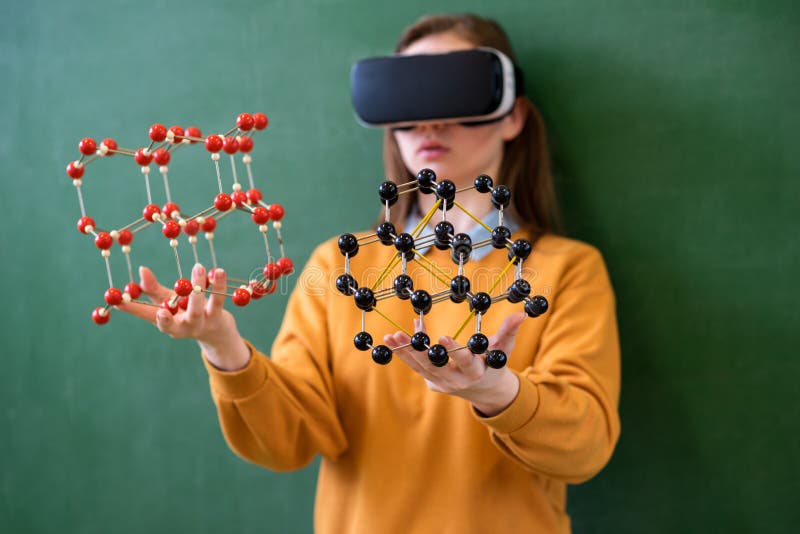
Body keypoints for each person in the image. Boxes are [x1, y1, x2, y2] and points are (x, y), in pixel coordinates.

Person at [120, 13, 620, 534]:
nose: (429, 122)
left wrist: (498, 393)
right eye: (407, 99)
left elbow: (583, 447)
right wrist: (224, 349)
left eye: (452, 91)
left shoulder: (565, 270)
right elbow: (286, 441)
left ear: (512, 116)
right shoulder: (338, 268)